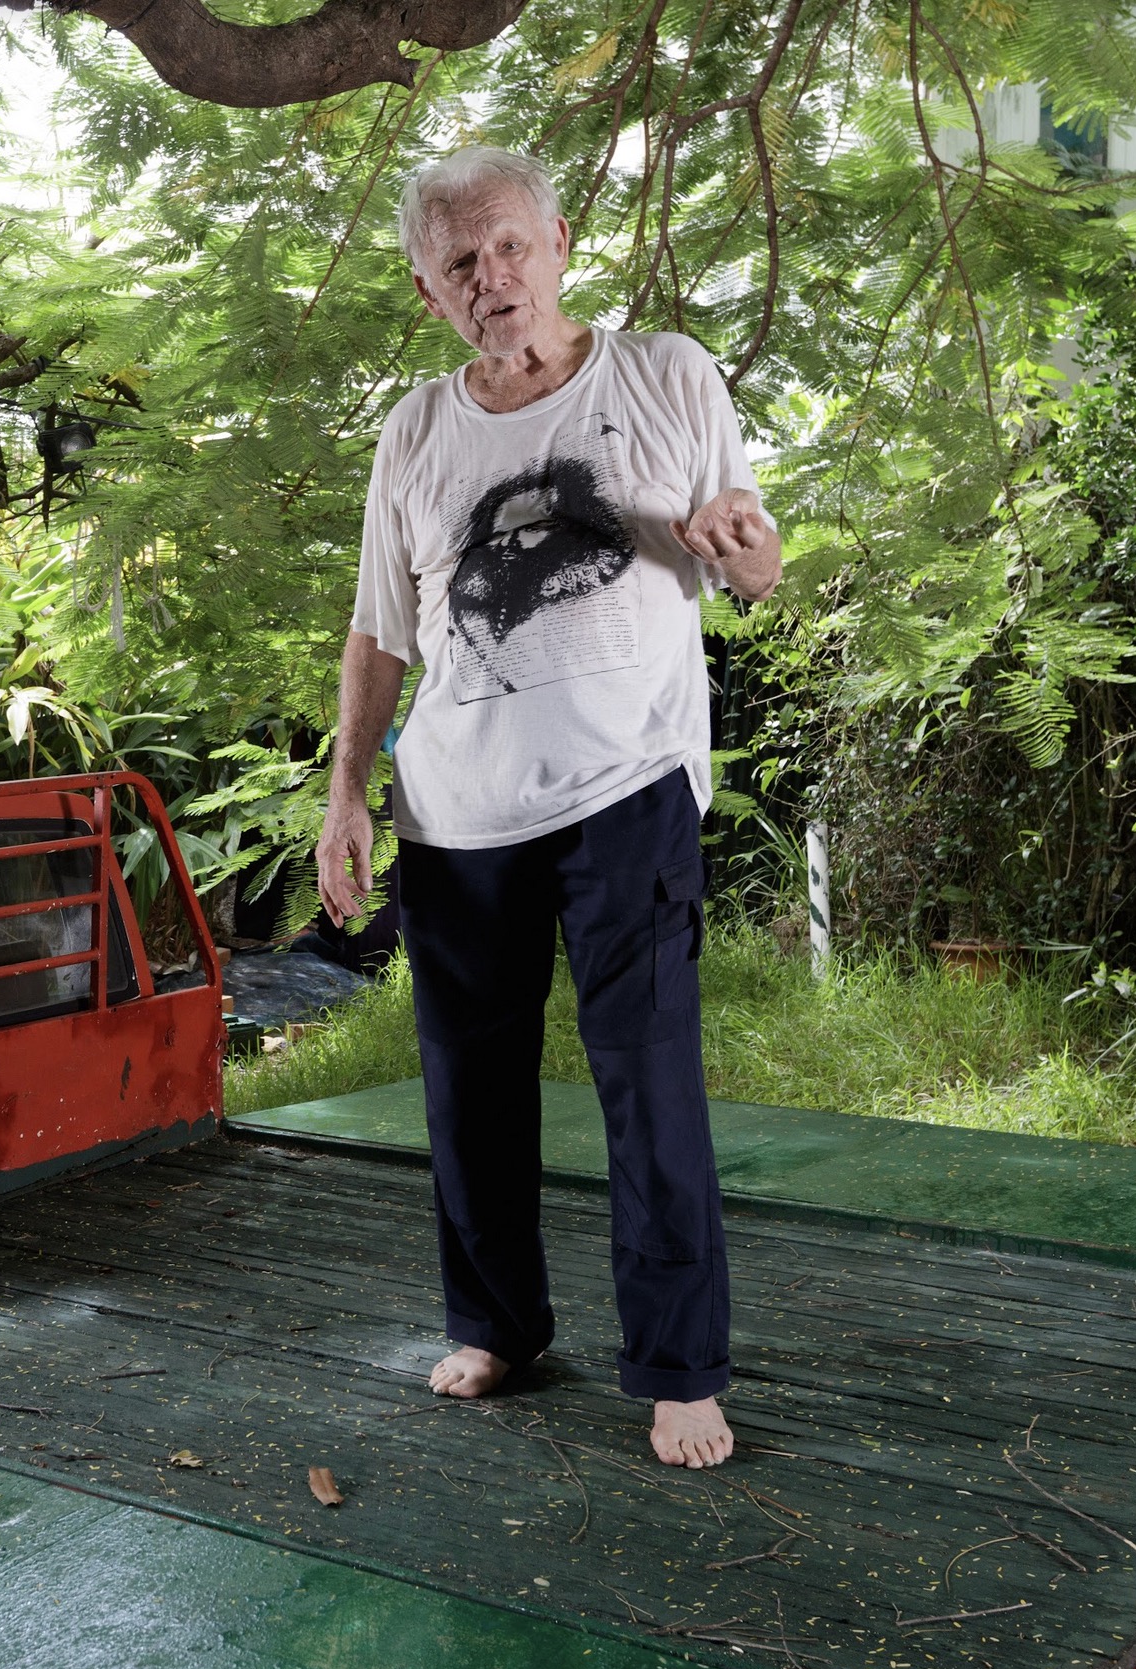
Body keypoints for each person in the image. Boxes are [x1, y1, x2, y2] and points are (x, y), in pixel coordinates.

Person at [314, 146, 782, 1470]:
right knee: (468, 1087)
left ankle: (682, 1371)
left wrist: (751, 558)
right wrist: (347, 795)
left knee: (648, 1076)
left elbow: (751, 559)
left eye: (510, 246)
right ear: (429, 290)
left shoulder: (665, 376)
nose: (492, 277)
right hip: (455, 806)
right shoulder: (414, 430)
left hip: (628, 783)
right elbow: (377, 633)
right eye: (461, 262)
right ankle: (499, 1326)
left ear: (561, 243)